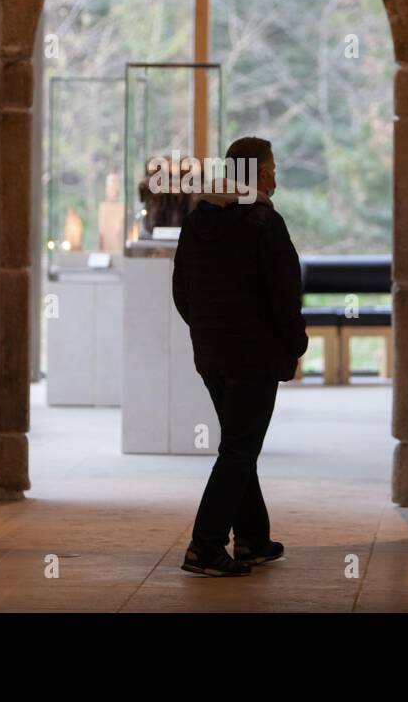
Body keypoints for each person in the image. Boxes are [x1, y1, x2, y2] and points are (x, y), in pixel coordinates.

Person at [172, 136, 307, 576]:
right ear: (260, 173)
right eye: (272, 166)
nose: (275, 174)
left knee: (238, 445)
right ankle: (205, 546)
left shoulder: (197, 220)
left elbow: (181, 291)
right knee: (238, 449)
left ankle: (252, 539)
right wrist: (294, 344)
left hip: (211, 352)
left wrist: (206, 331)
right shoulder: (264, 222)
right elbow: (285, 296)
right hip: (254, 356)